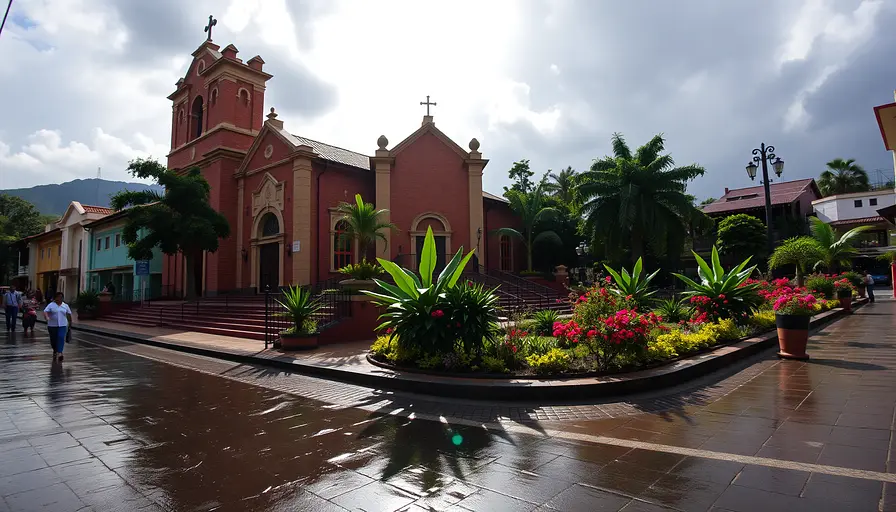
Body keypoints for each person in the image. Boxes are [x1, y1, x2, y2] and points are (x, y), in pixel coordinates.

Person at [44, 292, 73, 361]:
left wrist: (70, 323)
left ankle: (60, 352)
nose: (60, 298)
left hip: (63, 325)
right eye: (58, 297)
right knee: (53, 339)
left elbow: (69, 314)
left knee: (61, 337)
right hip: (52, 325)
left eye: (61, 297)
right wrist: (47, 317)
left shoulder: (65, 305)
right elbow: (45, 312)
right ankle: (55, 349)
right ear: (55, 298)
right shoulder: (51, 305)